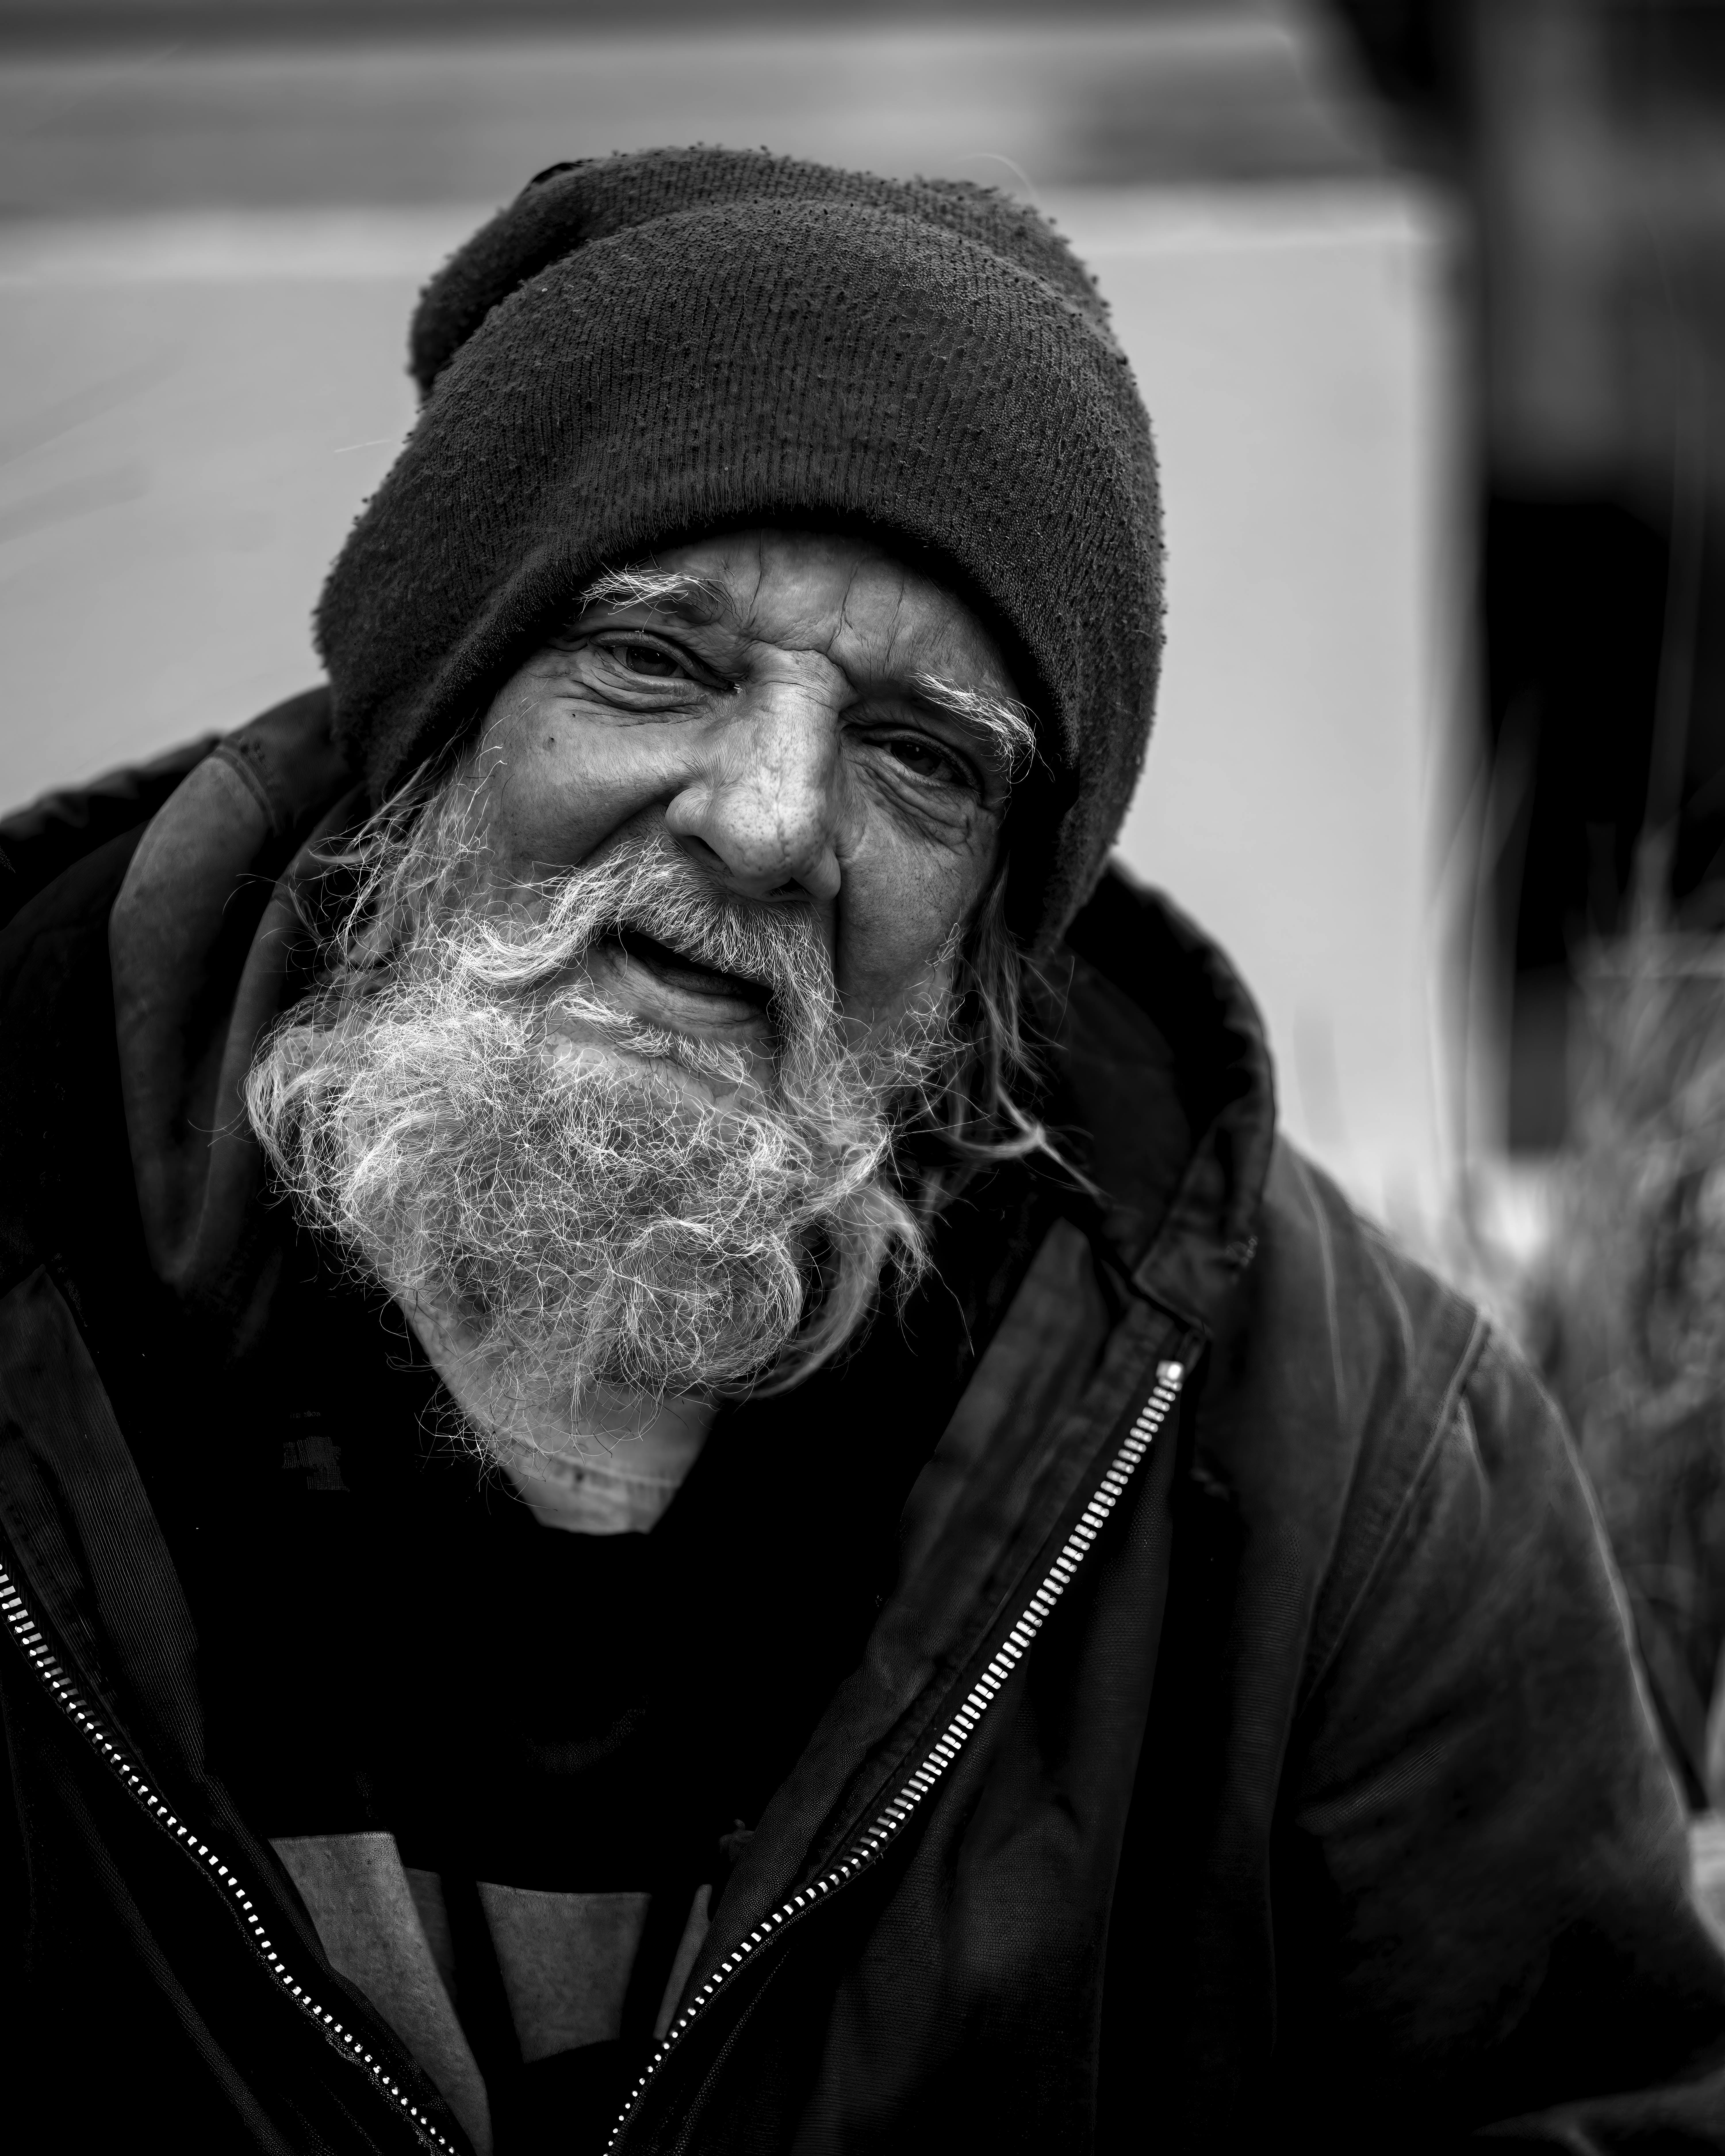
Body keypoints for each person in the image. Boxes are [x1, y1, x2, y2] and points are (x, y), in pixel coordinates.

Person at [1, 146, 1722, 2156]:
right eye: (656, 658)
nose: (765, 820)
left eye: (922, 756)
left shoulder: (1352, 1458)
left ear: (1003, 919)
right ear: (431, 713)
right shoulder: (44, 1263)